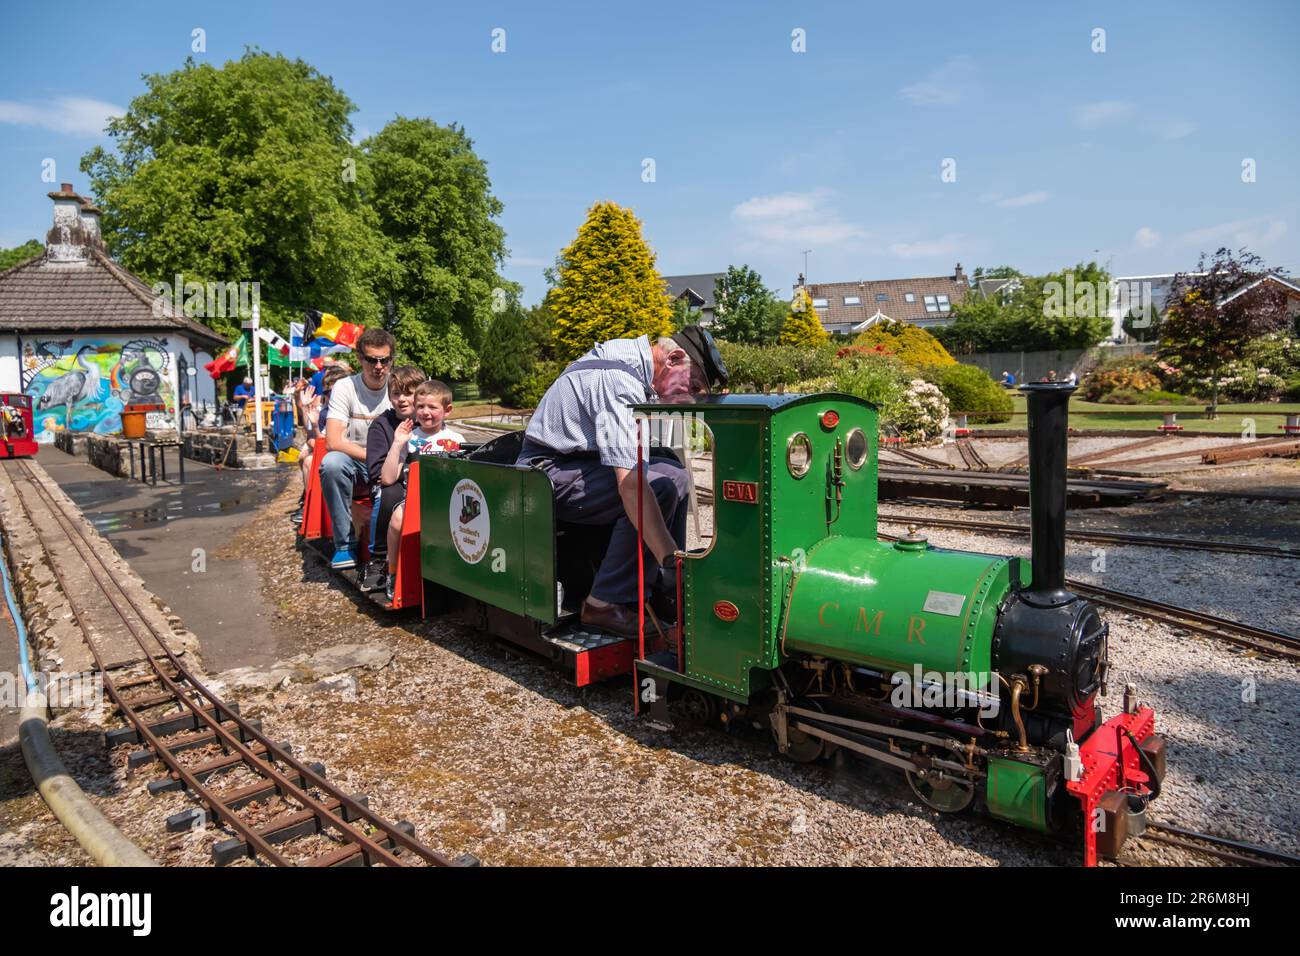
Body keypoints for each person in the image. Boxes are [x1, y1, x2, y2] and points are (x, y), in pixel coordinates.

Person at [516, 326, 727, 638]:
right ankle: (603, 602)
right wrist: (669, 557)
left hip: (582, 463)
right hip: (546, 470)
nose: (690, 397)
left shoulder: (629, 363)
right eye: (692, 385)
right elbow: (630, 485)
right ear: (673, 358)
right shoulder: (618, 381)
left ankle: (660, 588)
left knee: (677, 476)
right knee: (657, 486)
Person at [379, 379, 465, 601]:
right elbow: (388, 478)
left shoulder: (457, 440)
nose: (425, 412)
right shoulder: (410, 438)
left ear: (447, 410)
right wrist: (398, 443)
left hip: (449, 502)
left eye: (432, 407)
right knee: (398, 518)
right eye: (420, 406)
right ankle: (392, 571)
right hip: (417, 499)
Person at [320, 328, 394, 569]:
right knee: (331, 463)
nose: (379, 366)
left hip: (393, 464)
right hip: (359, 464)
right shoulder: (345, 387)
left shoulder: (399, 386)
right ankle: (344, 545)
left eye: (385, 360)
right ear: (360, 359)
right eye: (372, 359)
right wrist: (377, 459)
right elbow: (333, 441)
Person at [361, 364, 427, 589]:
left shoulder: (426, 421)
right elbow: (378, 474)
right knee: (390, 494)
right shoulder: (381, 426)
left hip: (421, 481)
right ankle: (378, 557)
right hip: (391, 482)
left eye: (408, 393)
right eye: (396, 393)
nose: (402, 399)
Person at [290, 365, 351, 526]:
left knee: (309, 461)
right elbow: (311, 434)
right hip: (326, 449)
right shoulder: (325, 408)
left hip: (341, 454)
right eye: (326, 392)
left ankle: (311, 506)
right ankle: (308, 502)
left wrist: (315, 428)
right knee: (305, 457)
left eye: (332, 392)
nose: (329, 396)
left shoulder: (345, 410)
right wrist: (304, 408)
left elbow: (325, 441)